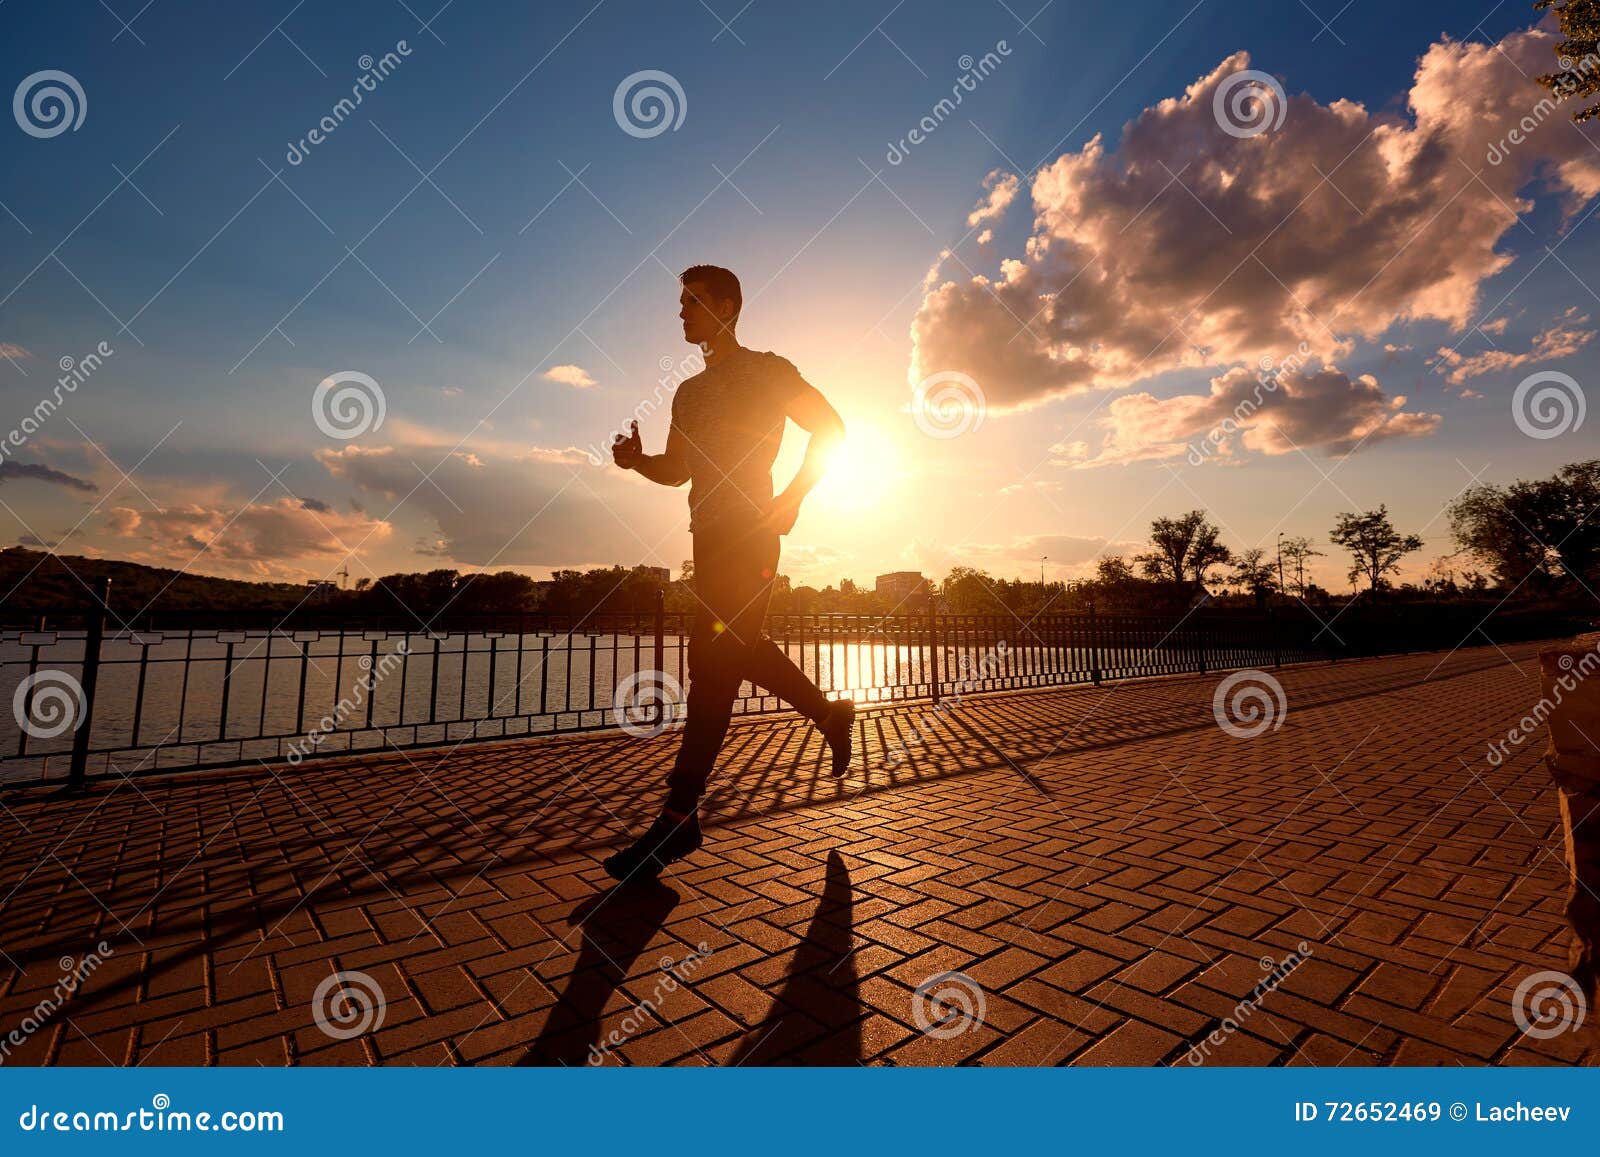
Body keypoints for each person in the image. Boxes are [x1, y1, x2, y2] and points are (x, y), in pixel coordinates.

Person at [605, 264, 855, 881]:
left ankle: (677, 817)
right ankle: (828, 714)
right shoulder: (688, 394)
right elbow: (679, 472)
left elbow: (833, 429)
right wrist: (638, 462)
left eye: (691, 301)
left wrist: (792, 495)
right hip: (709, 541)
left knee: (714, 669)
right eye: (680, 302)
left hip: (754, 540)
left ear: (726, 307)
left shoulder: (768, 371)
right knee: (731, 657)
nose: (681, 312)